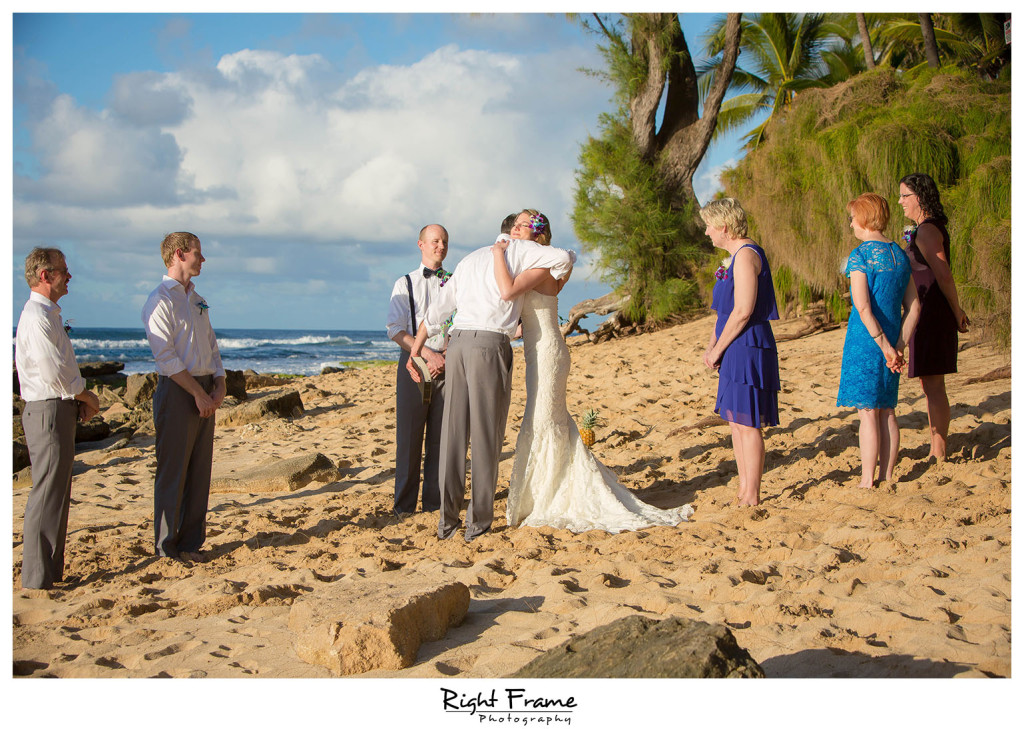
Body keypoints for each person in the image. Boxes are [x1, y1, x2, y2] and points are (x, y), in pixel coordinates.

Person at [492, 210, 693, 532]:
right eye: (513, 226)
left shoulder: (540, 263)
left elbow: (509, 292)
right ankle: (551, 490)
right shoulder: (540, 262)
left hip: (546, 353)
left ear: (538, 235)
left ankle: (550, 497)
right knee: (549, 420)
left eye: (522, 226)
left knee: (543, 421)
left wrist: (499, 254)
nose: (514, 230)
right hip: (541, 349)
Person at [407, 214, 575, 541]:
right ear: (516, 233)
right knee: (486, 436)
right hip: (488, 346)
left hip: (457, 346)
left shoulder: (471, 258)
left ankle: (447, 524)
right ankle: (478, 525)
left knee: (454, 436)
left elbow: (438, 310)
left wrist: (416, 351)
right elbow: (564, 256)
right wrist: (561, 269)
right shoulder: (522, 249)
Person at [15, 248, 100, 589]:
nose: (70, 275)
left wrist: (77, 398)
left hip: (56, 408)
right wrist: (87, 396)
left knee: (56, 492)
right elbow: (53, 373)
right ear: (45, 275)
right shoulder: (36, 316)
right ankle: (37, 579)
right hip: (48, 409)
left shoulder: (46, 314)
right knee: (47, 492)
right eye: (64, 270)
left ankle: (48, 573)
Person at [142, 232, 226, 562]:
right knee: (172, 471)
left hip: (205, 388)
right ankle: (166, 547)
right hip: (178, 390)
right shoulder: (159, 300)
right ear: (179, 254)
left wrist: (218, 384)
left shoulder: (198, 299)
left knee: (199, 471)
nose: (202, 260)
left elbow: (211, 346)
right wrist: (197, 393)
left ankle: (192, 543)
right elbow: (166, 358)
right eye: (198, 254)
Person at [837, 193, 921, 489]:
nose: (850, 225)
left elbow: (862, 307)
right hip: (892, 342)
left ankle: (867, 480)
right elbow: (914, 306)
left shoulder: (860, 256)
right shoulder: (900, 255)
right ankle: (886, 475)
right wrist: (899, 344)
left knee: (868, 413)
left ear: (863, 218)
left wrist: (885, 346)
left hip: (866, 342)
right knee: (887, 410)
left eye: (852, 218)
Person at [701, 198, 780, 507]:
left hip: (748, 344)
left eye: (709, 226)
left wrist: (719, 347)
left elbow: (744, 310)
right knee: (735, 420)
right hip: (731, 343)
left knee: (748, 422)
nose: (707, 232)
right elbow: (724, 311)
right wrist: (712, 345)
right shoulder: (733, 258)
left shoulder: (746, 256)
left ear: (723, 226)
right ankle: (743, 489)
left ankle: (753, 493)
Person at [898, 172, 970, 462]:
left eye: (905, 195)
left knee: (934, 384)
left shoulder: (927, 231)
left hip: (932, 313)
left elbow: (944, 276)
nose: (901, 201)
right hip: (923, 311)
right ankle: (936, 447)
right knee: (928, 384)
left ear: (920, 197)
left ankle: (939, 451)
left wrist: (957, 311)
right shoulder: (921, 229)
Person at [386, 224, 450, 517]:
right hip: (413, 364)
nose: (441, 246)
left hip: (448, 366)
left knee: (440, 438)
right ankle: (404, 507)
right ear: (421, 244)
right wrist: (424, 352)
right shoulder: (404, 283)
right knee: (409, 439)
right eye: (435, 241)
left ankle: (434, 504)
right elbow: (396, 330)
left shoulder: (454, 282)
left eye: (444, 241)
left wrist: (446, 355)